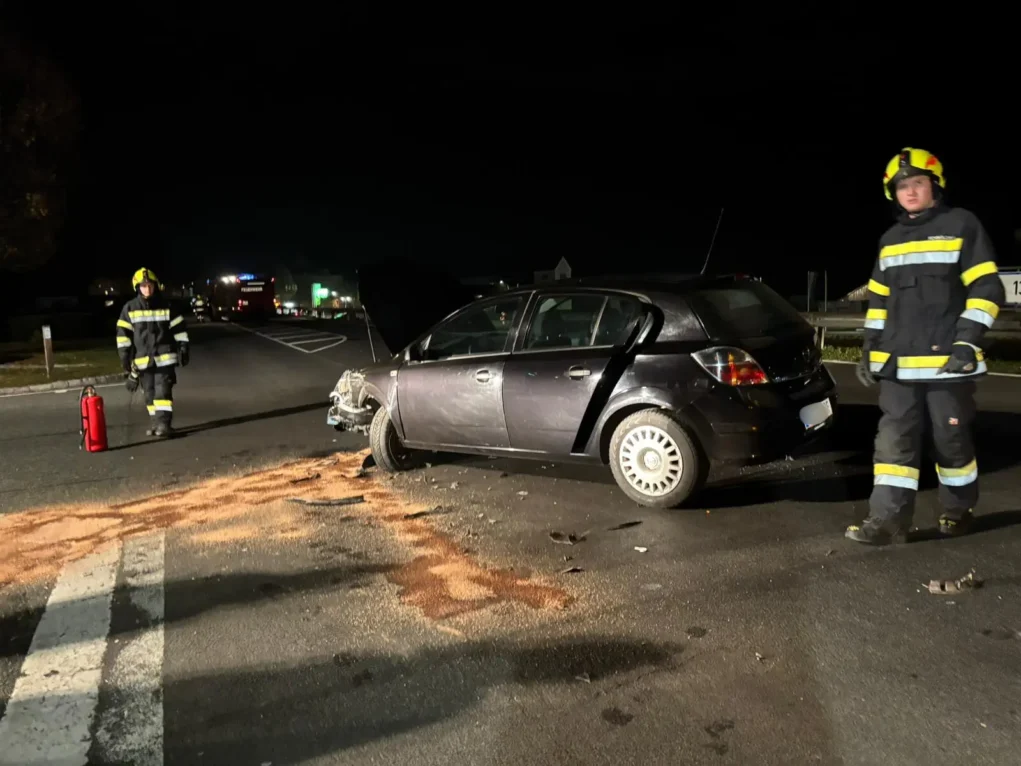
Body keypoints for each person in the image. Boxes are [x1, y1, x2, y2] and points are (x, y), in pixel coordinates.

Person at [847, 148, 1005, 544]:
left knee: (950, 443)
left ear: (934, 186)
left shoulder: (962, 225)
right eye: (903, 185)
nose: (910, 190)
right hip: (898, 368)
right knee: (892, 447)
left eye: (918, 182)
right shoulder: (890, 240)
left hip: (948, 366)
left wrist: (967, 343)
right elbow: (879, 301)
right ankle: (886, 521)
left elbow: (987, 287)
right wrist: (870, 348)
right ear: (893, 193)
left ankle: (957, 510)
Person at [116, 268, 190, 438]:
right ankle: (156, 424)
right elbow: (123, 335)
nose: (147, 289)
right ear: (137, 287)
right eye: (143, 286)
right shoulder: (129, 309)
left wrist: (184, 347)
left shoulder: (168, 306)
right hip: (143, 362)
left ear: (156, 286)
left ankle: (164, 424)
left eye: (150, 285)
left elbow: (180, 329)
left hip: (165, 359)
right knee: (149, 394)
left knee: (163, 391)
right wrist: (125, 357)